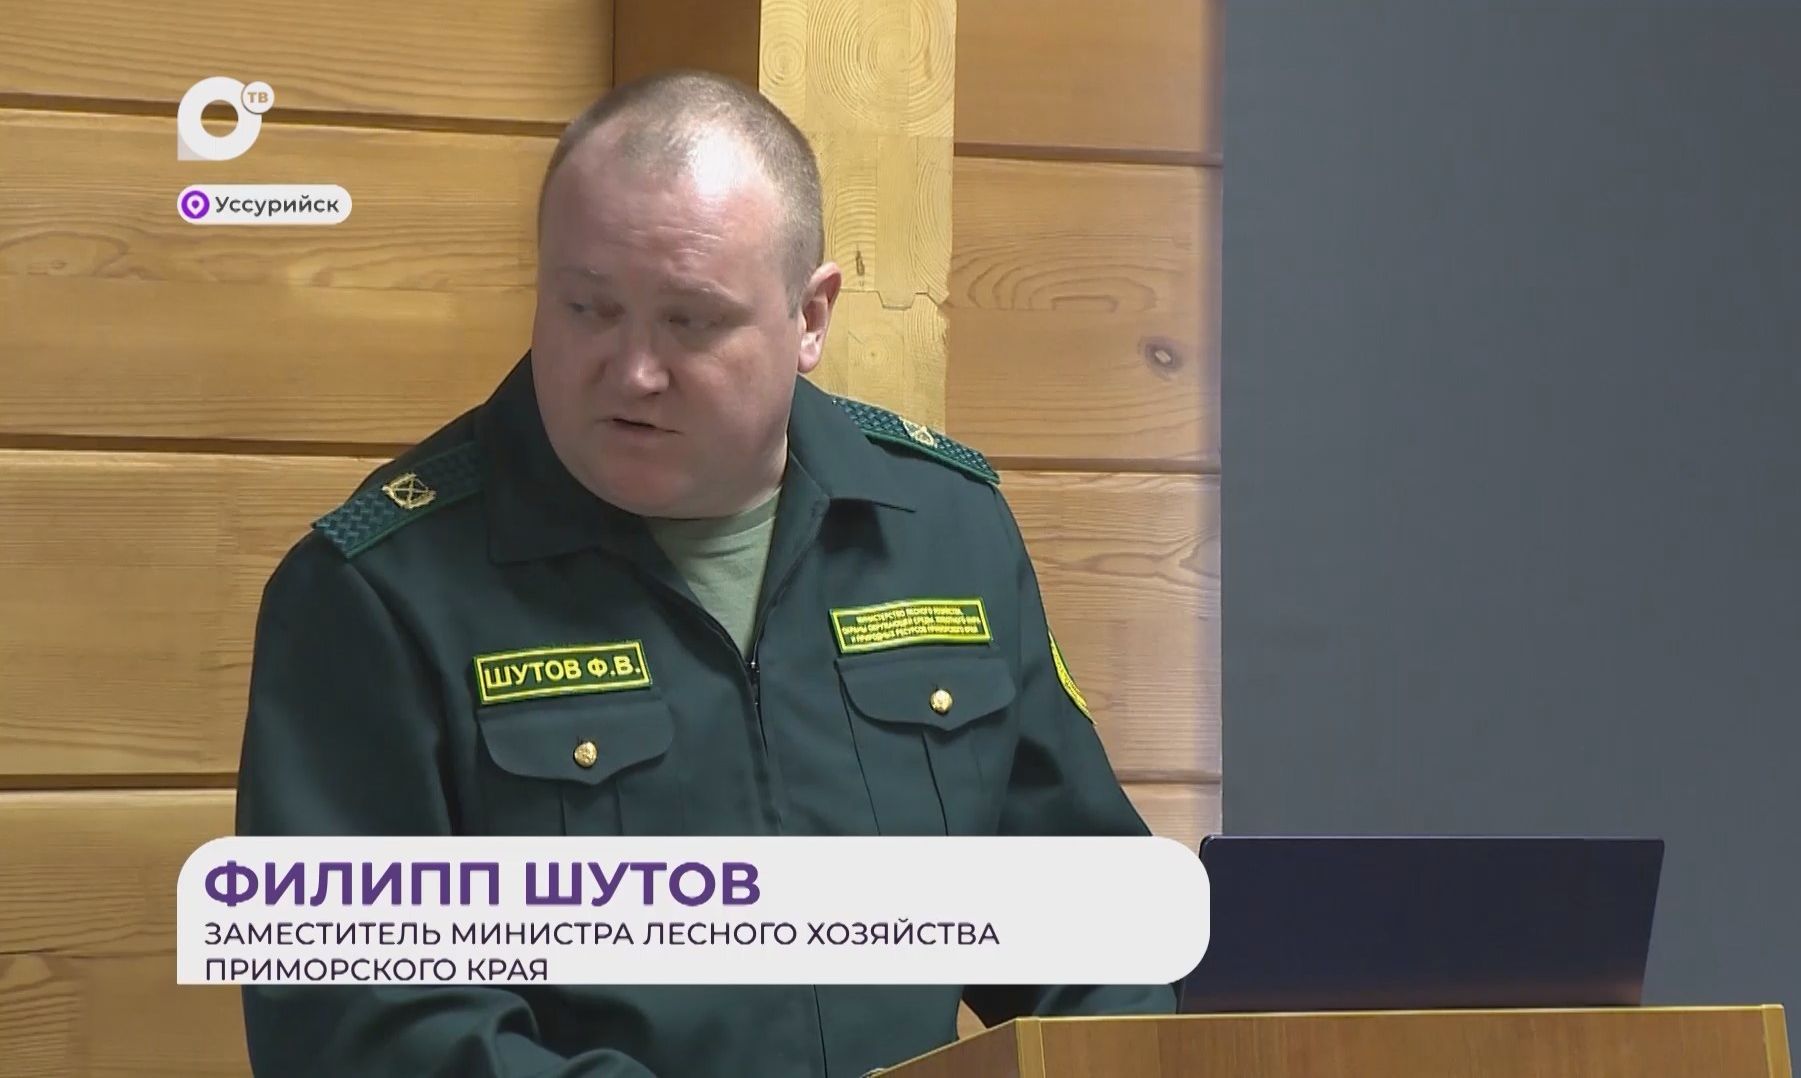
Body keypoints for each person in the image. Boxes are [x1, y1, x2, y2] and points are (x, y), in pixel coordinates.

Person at [232, 69, 1174, 1077]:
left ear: (810, 318)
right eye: (587, 308)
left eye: (690, 321)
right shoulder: (378, 591)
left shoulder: (942, 530)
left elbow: (1094, 923)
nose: (634, 371)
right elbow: (364, 1030)